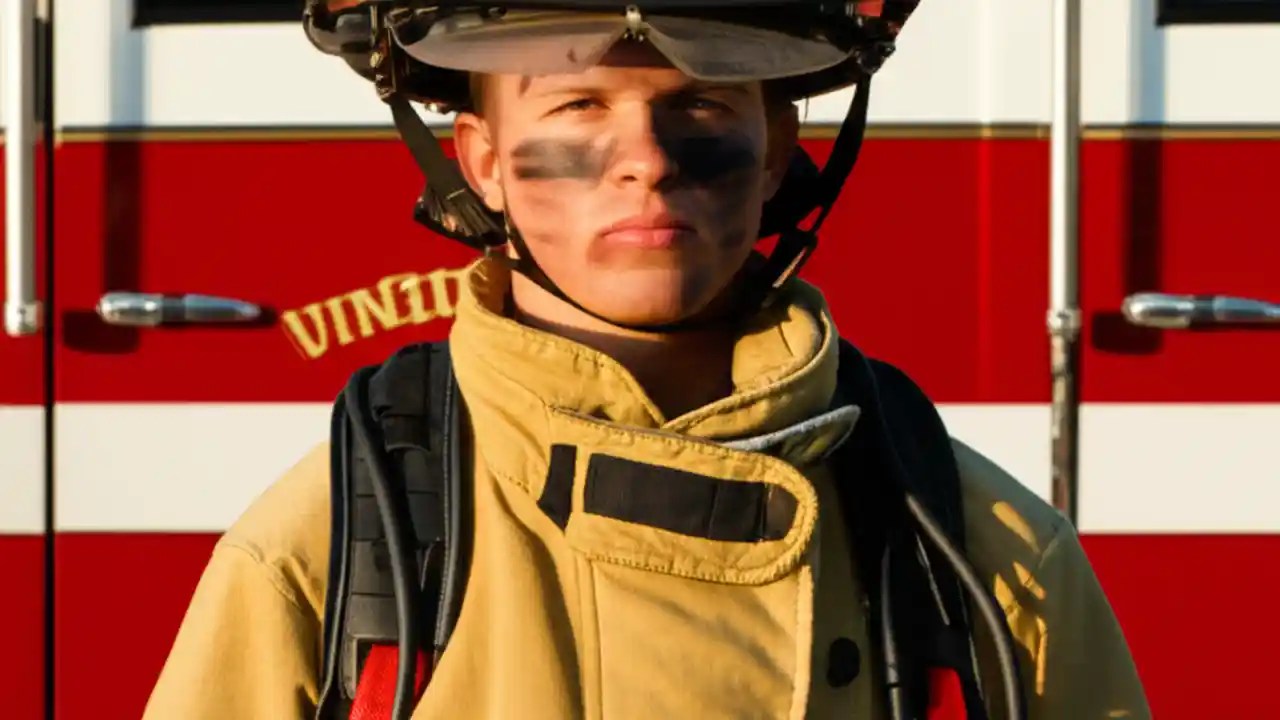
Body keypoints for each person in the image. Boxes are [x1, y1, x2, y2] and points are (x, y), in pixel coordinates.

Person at [144, 1, 1151, 718]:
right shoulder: (324, 558)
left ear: (773, 152)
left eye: (704, 103)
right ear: (481, 161)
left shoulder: (984, 555)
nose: (648, 157)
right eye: (578, 106)